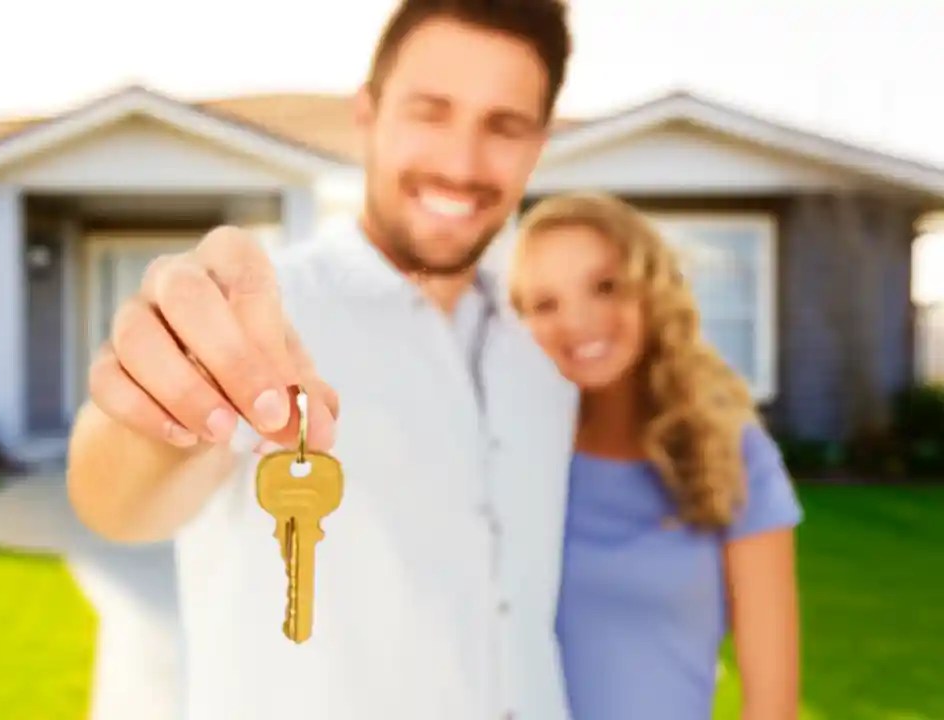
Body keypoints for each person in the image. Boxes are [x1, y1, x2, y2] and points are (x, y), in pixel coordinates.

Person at [66, 0, 579, 718]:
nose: (461, 164)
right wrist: (160, 411)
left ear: (539, 143)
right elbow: (116, 503)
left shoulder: (545, 359)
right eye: (430, 112)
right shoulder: (269, 314)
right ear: (367, 116)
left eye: (504, 126)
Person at [508, 192, 804, 720]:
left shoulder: (733, 456)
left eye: (605, 287)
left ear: (651, 290)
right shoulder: (509, 460)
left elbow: (772, 702)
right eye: (545, 304)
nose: (577, 321)